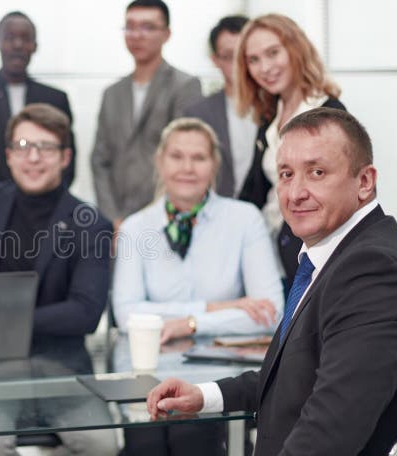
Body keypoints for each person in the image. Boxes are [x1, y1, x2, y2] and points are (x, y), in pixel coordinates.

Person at [147, 108, 397, 456]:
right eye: (286, 174)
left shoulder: (374, 271)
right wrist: (206, 395)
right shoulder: (334, 252)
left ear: (365, 182)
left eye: (317, 173)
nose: (295, 193)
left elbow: (329, 433)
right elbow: (299, 374)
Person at [0, 103, 117, 456]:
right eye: (23, 146)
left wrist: (1, 318)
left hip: (62, 369)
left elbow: (86, 313)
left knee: (102, 446)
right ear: (9, 156)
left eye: (45, 148)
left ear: (64, 157)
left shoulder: (90, 222)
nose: (33, 158)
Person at [113, 117, 283, 456]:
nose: (187, 167)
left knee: (193, 439)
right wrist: (219, 308)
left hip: (221, 379)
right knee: (145, 447)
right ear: (160, 162)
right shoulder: (135, 227)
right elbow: (127, 313)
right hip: (149, 374)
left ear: (215, 165)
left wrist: (190, 325)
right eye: (177, 156)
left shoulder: (244, 219)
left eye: (199, 157)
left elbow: (270, 313)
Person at [235, 14, 345, 279]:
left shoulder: (328, 113)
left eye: (273, 53)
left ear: (295, 49)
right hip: (276, 254)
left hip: (317, 258)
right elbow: (255, 191)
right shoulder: (270, 118)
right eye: (254, 60)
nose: (265, 67)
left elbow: (341, 195)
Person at [91, 0, 202, 230]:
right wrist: (112, 217)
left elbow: (186, 156)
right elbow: (100, 160)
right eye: (130, 27)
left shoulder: (185, 86)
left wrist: (155, 216)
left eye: (148, 27)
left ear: (167, 34)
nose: (137, 35)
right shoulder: (112, 93)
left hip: (167, 216)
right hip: (116, 220)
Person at [0, 11, 77, 185]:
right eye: (10, 37)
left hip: (47, 204)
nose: (18, 45)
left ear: (35, 46)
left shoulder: (55, 99)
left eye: (25, 38)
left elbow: (67, 160)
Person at [183, 15, 256, 198]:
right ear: (216, 60)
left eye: (244, 55)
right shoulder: (198, 114)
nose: (239, 64)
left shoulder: (279, 107)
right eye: (229, 56)